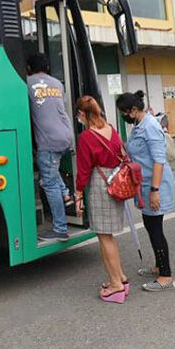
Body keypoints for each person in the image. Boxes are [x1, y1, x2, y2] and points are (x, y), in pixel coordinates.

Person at [117, 91, 175, 292]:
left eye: (124, 112)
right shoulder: (139, 125)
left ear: (133, 110)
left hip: (155, 184)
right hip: (144, 184)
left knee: (155, 227)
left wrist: (155, 190)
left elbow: (158, 160)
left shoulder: (150, 126)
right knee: (150, 226)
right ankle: (159, 265)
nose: (123, 116)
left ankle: (166, 276)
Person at [74, 95, 129, 302]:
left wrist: (79, 193)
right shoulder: (111, 128)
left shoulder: (87, 136)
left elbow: (84, 169)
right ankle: (120, 277)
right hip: (115, 180)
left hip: (100, 183)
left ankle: (116, 285)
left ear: (81, 114)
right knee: (109, 235)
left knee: (104, 236)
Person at [26, 53, 75, 242]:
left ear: (29, 68)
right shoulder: (57, 83)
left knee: (48, 182)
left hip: (49, 141)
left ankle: (60, 228)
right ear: (46, 68)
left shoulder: (27, 83)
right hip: (66, 135)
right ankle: (65, 193)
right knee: (52, 171)